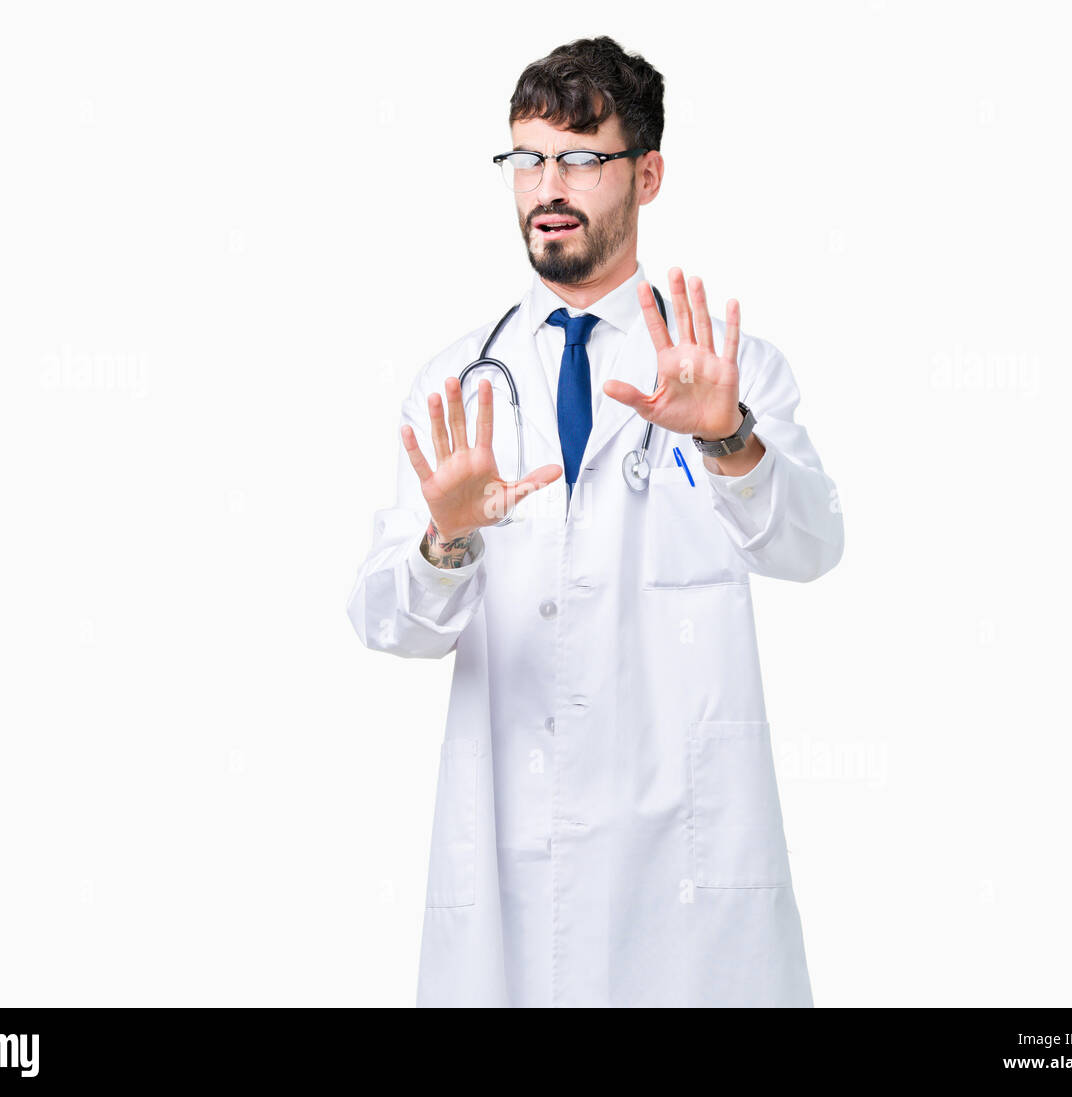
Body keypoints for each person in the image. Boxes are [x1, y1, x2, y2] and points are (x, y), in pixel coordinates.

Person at [346, 35, 844, 1007]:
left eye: (580, 157)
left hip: (690, 882)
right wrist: (445, 537)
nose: (547, 187)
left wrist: (729, 436)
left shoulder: (731, 368)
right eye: (526, 159)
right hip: (512, 871)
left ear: (646, 173)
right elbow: (385, 621)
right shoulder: (457, 384)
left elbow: (812, 545)